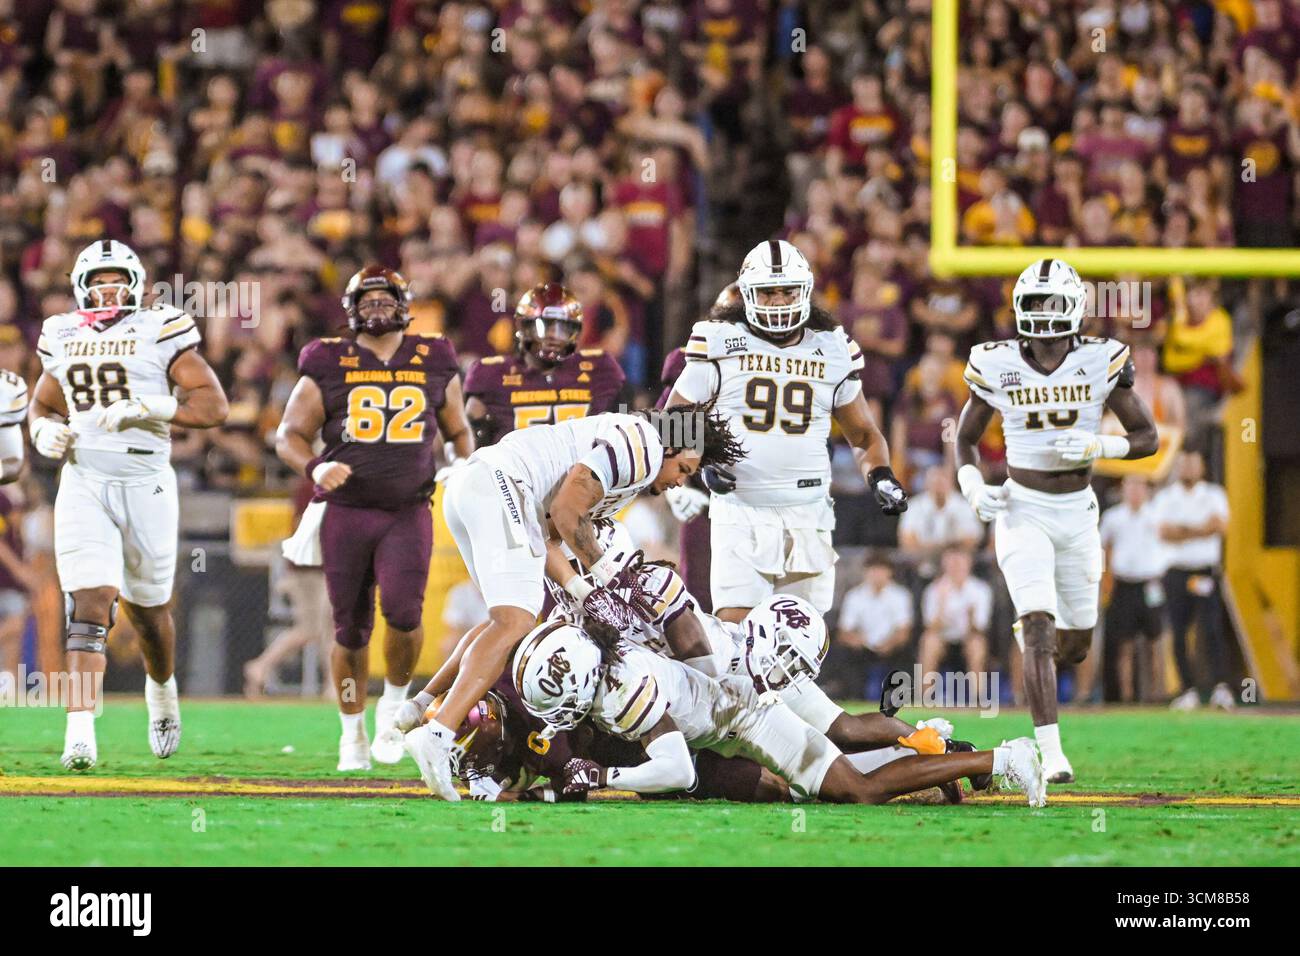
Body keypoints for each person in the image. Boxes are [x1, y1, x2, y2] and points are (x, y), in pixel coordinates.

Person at [402, 404, 746, 800]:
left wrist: (586, 592)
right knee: (514, 622)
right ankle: (439, 733)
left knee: (512, 622)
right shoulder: (644, 446)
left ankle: (419, 705)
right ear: (671, 447)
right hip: (502, 485)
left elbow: (550, 535)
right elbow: (566, 513)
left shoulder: (631, 457)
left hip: (483, 487)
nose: (678, 483)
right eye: (684, 470)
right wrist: (609, 578)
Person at [954, 258, 1158, 784]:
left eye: (1053, 303)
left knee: (1075, 645)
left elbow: (1147, 437)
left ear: (1076, 309)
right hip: (1023, 509)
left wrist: (1102, 443)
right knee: (1039, 627)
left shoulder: (1100, 360)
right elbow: (965, 438)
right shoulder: (996, 362)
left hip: (1078, 512)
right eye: (1035, 304)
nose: (1044, 315)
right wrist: (972, 484)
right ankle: (1051, 752)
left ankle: (1037, 642)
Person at [29, 239, 230, 771]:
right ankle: (79, 731)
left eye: (117, 280)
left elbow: (213, 406)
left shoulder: (160, 328)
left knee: (148, 611)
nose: (108, 289)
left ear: (137, 284)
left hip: (146, 482)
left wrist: (152, 407)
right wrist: (42, 430)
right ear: (80, 286)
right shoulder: (62, 333)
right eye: (98, 281)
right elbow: (44, 403)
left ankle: (161, 691)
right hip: (85, 479)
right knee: (89, 604)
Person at [275, 265, 472, 771]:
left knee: (405, 616)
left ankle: (394, 701)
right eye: (367, 300)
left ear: (404, 304)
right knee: (349, 631)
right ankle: (350, 734)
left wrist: (464, 469)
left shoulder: (434, 356)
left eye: (386, 299)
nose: (377, 307)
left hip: (408, 508)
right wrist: (318, 465)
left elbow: (458, 431)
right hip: (347, 511)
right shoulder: (328, 359)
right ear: (352, 309)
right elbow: (289, 435)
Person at [509, 620, 1046, 806]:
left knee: (855, 790)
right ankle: (938, 747)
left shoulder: (623, 688)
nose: (550, 712)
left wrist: (602, 776)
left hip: (745, 712)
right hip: (726, 698)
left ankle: (999, 758)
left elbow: (678, 769)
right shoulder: (599, 658)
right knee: (843, 754)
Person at [663, 239, 908, 624]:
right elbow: (675, 415)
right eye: (768, 292)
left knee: (800, 649)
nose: (778, 302)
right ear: (747, 295)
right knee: (738, 642)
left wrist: (880, 474)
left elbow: (863, 435)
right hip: (741, 510)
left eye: (787, 291)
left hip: (808, 514)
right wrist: (699, 461)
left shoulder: (833, 347)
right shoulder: (721, 341)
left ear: (806, 292)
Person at [462, 283, 629, 447]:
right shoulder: (493, 374)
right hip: (515, 472)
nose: (553, 336)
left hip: (581, 470)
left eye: (563, 328)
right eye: (544, 326)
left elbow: (624, 423)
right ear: (523, 326)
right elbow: (466, 437)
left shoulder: (599, 368)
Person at [1152, 451, 1234, 711]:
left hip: (1204, 571)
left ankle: (1220, 687)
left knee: (1211, 629)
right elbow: (1164, 532)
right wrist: (1200, 529)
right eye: (1183, 463)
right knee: (1178, 632)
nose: (1187, 468)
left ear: (1202, 467)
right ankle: (1187, 689)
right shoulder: (1166, 497)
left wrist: (1183, 530)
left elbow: (1220, 526)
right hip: (1176, 572)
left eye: (1192, 463)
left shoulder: (1214, 494)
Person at [1099, 476, 1168, 702]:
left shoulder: (1157, 515)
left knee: (1155, 641)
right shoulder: (1113, 517)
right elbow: (1104, 550)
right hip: (1124, 584)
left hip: (1151, 583)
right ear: (1123, 489)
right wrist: (1104, 584)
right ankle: (1126, 696)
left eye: (1140, 485)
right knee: (1124, 643)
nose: (1136, 491)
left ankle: (1158, 693)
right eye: (1131, 485)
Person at [918, 548, 993, 695]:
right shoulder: (934, 589)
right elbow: (931, 627)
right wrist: (941, 604)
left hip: (968, 637)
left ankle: (977, 699)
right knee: (929, 642)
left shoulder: (980, 590)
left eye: (959, 562)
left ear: (968, 563)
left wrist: (970, 617)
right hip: (943, 638)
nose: (955, 566)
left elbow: (979, 628)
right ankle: (925, 698)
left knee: (977, 645)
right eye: (951, 562)